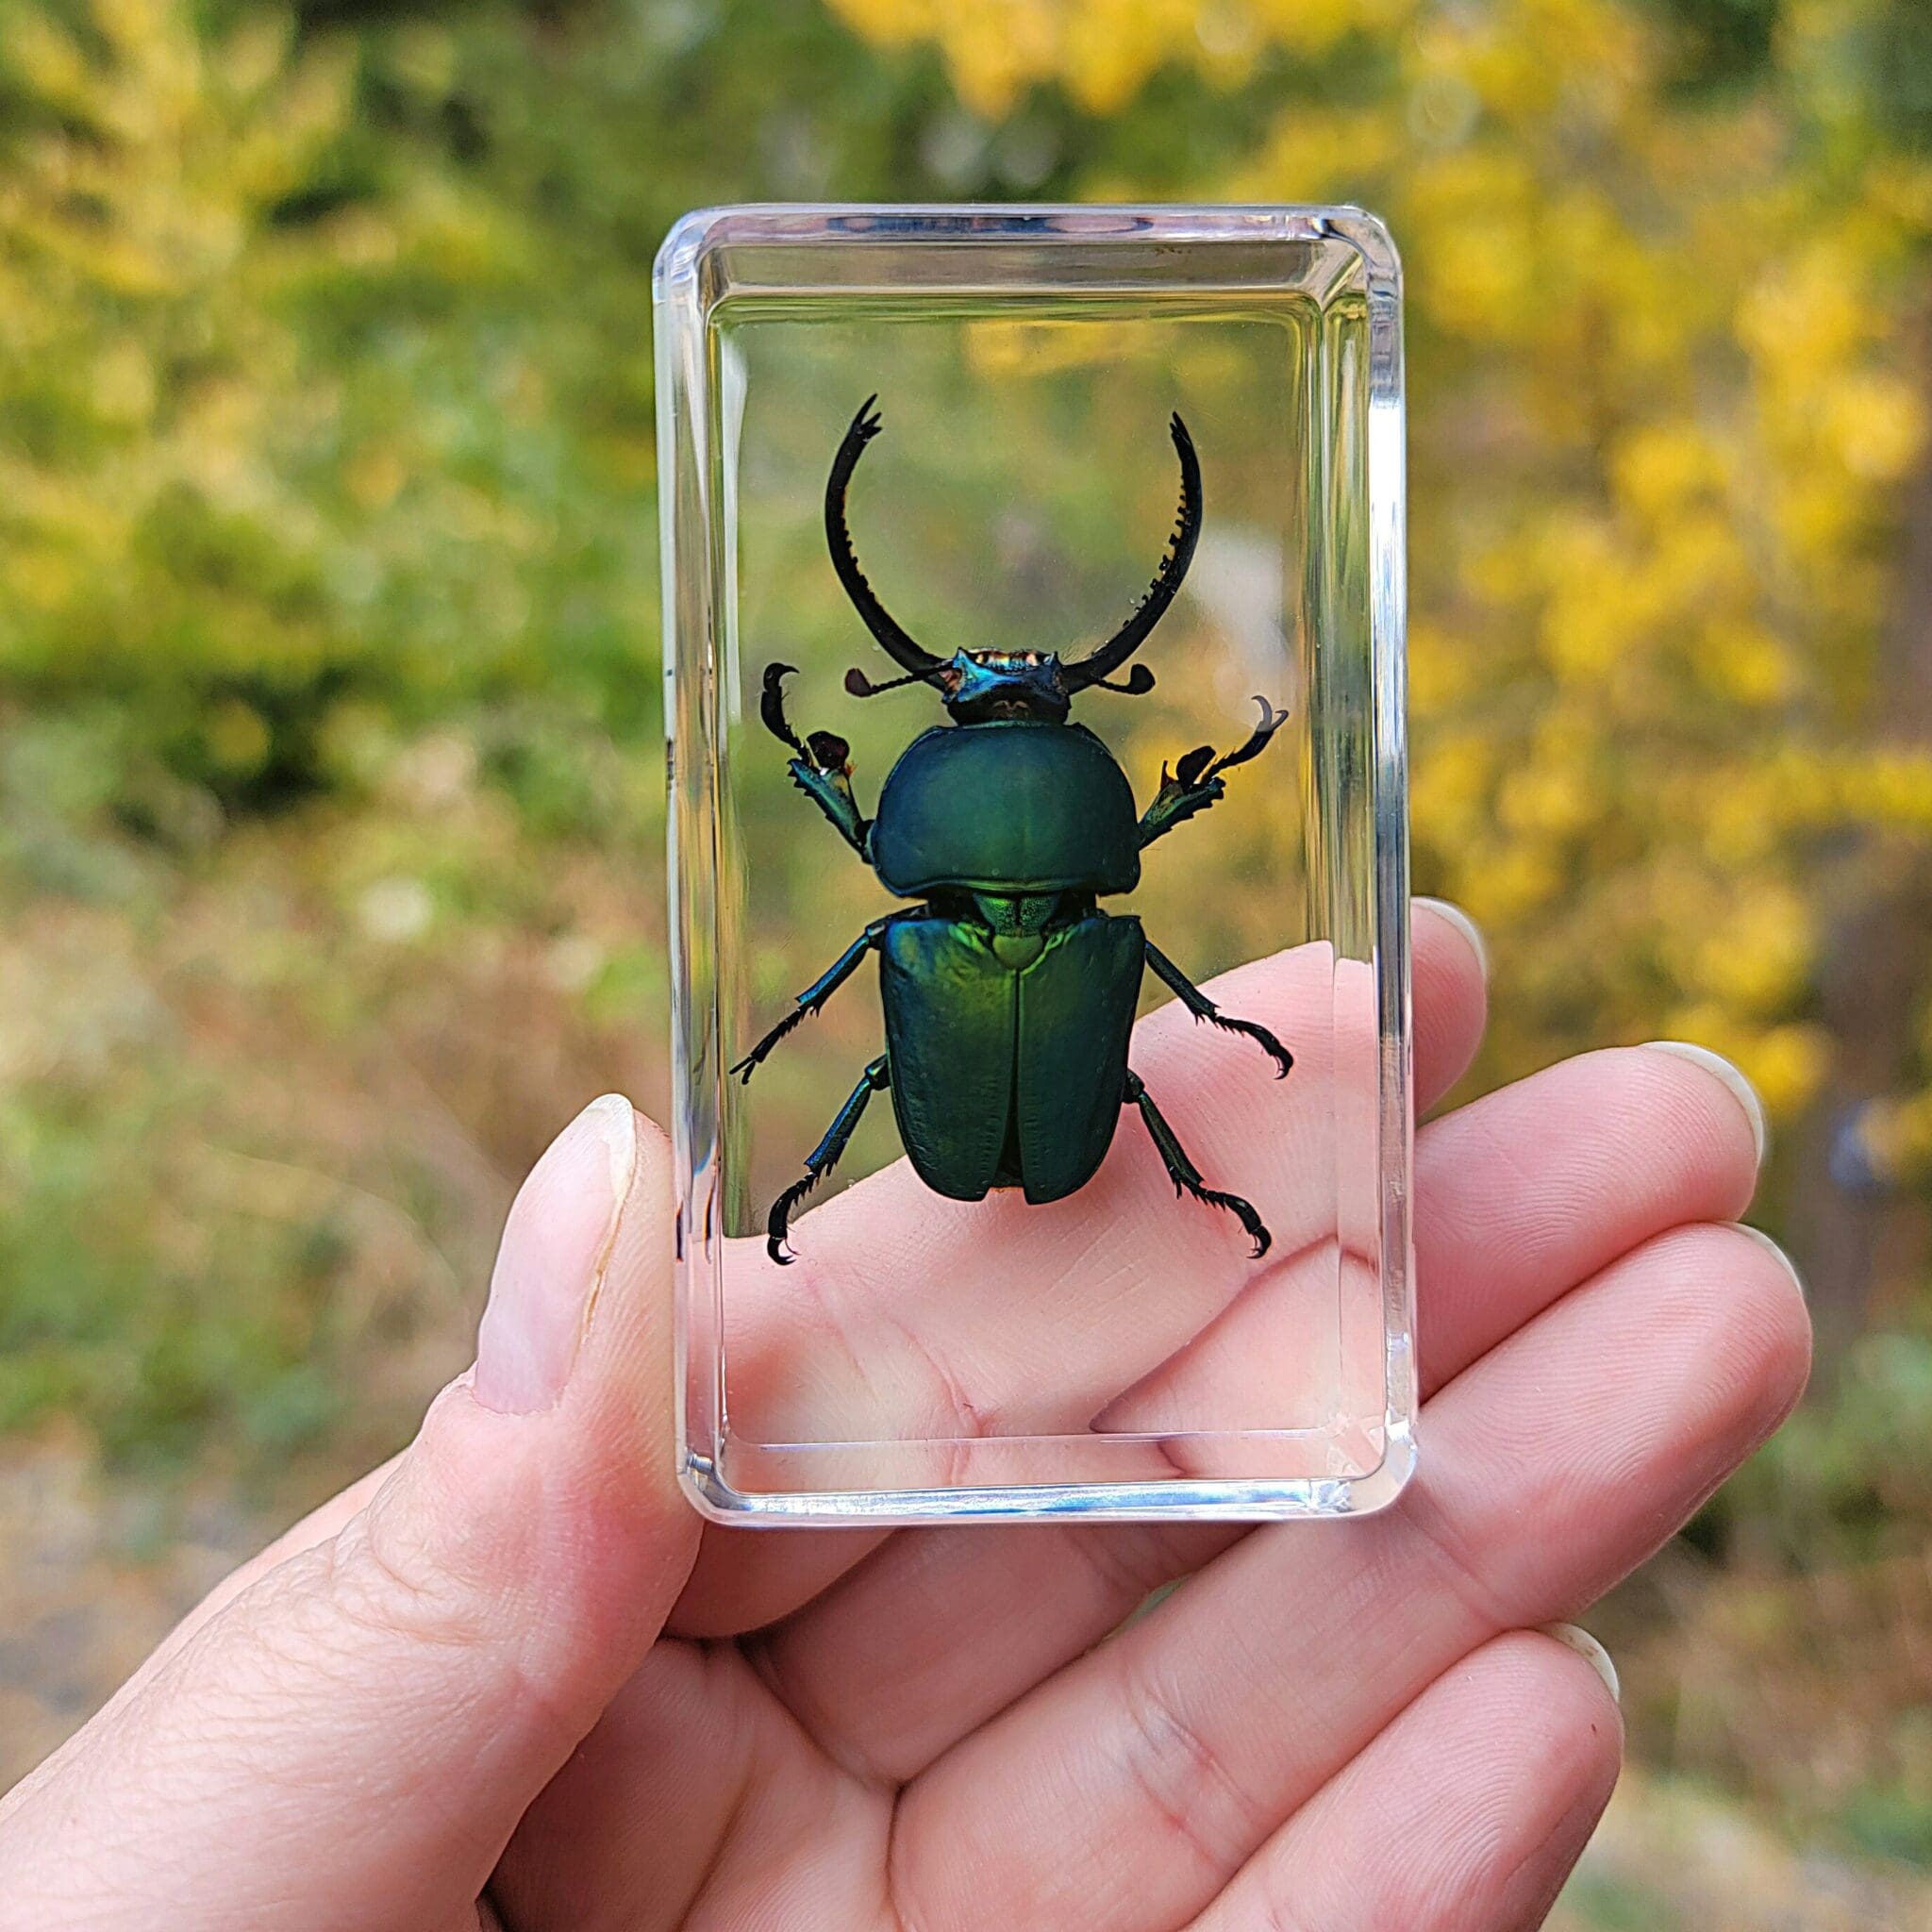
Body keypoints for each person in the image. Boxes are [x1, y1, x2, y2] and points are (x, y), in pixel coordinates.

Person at [0, 903, 1809, 1930]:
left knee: (906, 1038)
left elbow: (846, 1029)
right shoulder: (1116, 922)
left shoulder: (906, 914)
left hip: (959, 1123)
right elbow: (1158, 1004)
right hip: (1051, 1138)